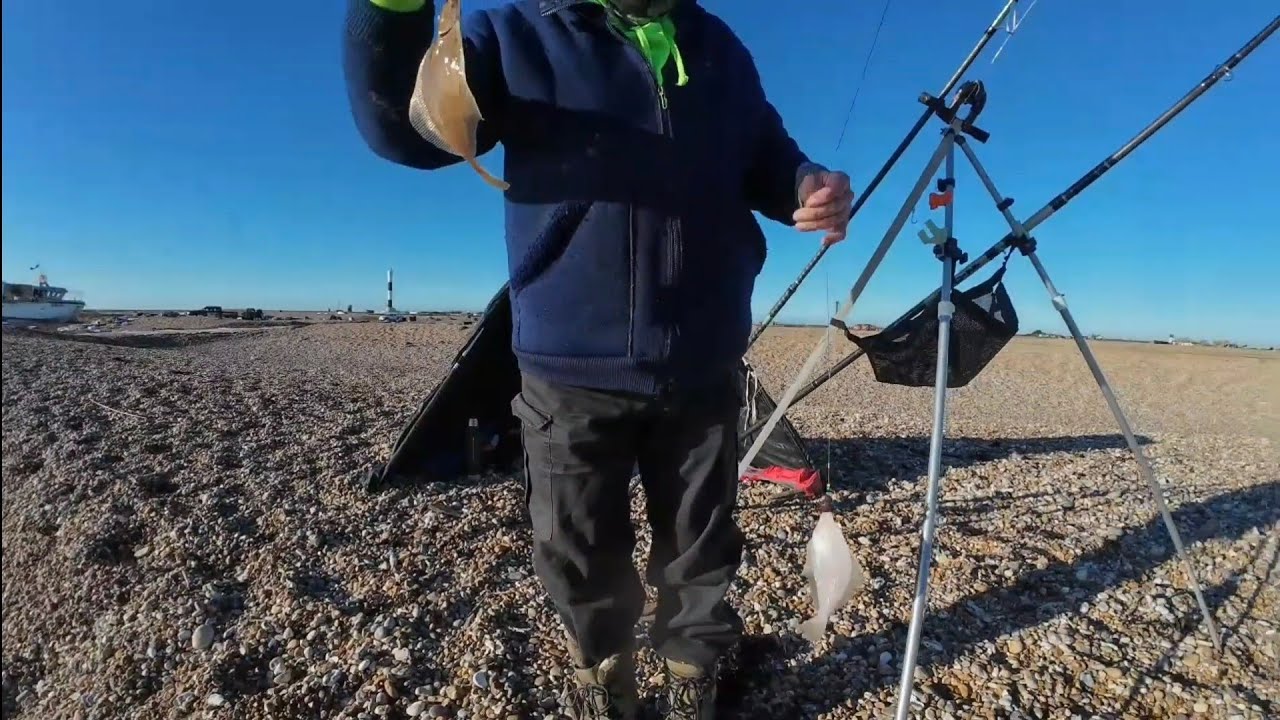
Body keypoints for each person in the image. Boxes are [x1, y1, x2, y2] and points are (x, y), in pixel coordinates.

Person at [342, 0, 855, 717]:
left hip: (705, 362)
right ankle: (602, 681)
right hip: (568, 371)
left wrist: (805, 181)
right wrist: (391, 14)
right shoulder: (512, 33)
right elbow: (408, 129)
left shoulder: (720, 48)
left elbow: (762, 148)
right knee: (579, 549)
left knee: (701, 549)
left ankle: (693, 679)